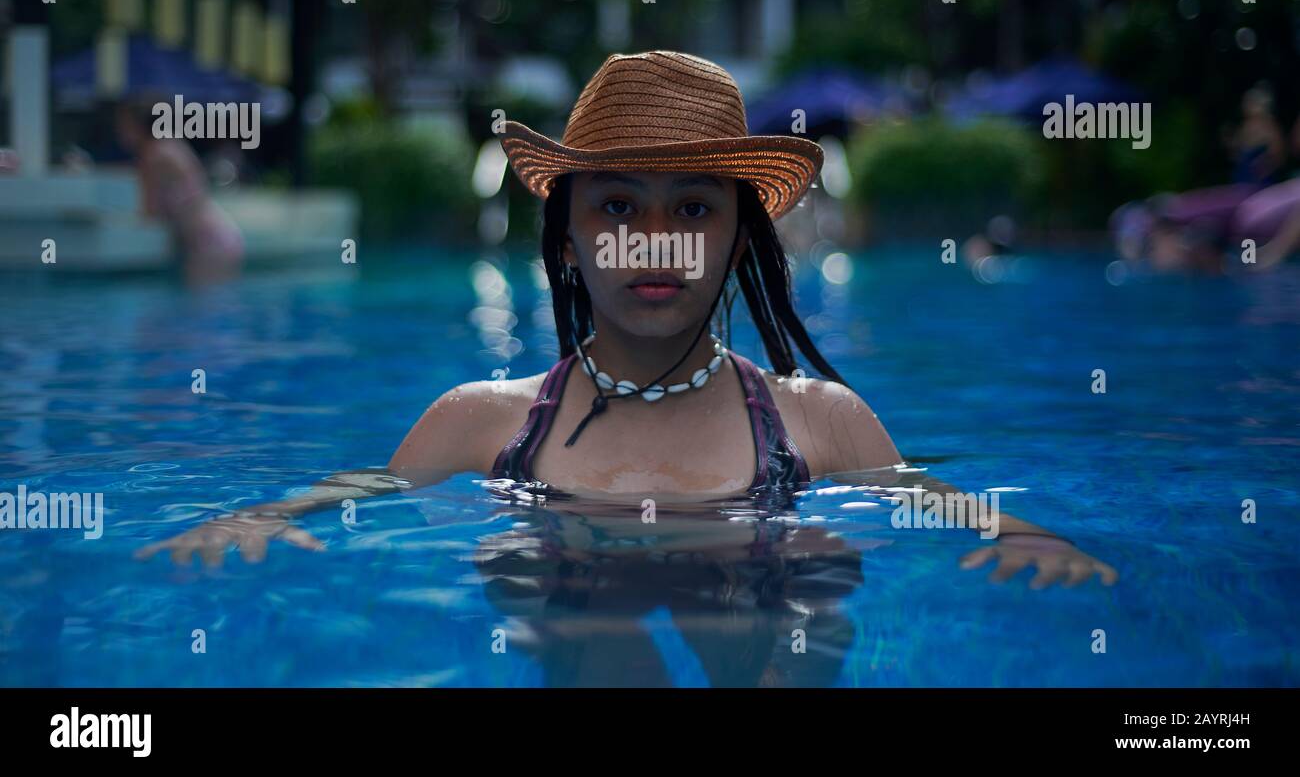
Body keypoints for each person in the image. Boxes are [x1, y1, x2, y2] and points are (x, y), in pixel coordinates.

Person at [138, 52, 1116, 594]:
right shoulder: (483, 422)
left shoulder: (821, 421)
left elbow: (927, 496)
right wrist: (262, 512)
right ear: (565, 239)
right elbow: (376, 486)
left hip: (768, 645)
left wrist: (1024, 532)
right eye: (615, 207)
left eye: (693, 209)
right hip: (572, 639)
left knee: (816, 558)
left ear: (740, 240)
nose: (654, 241)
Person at [114, 95, 245, 286]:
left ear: (137, 125)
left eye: (124, 124)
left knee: (199, 310)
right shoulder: (171, 145)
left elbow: (149, 214)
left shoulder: (152, 156)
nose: (120, 132)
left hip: (206, 243)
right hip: (222, 235)